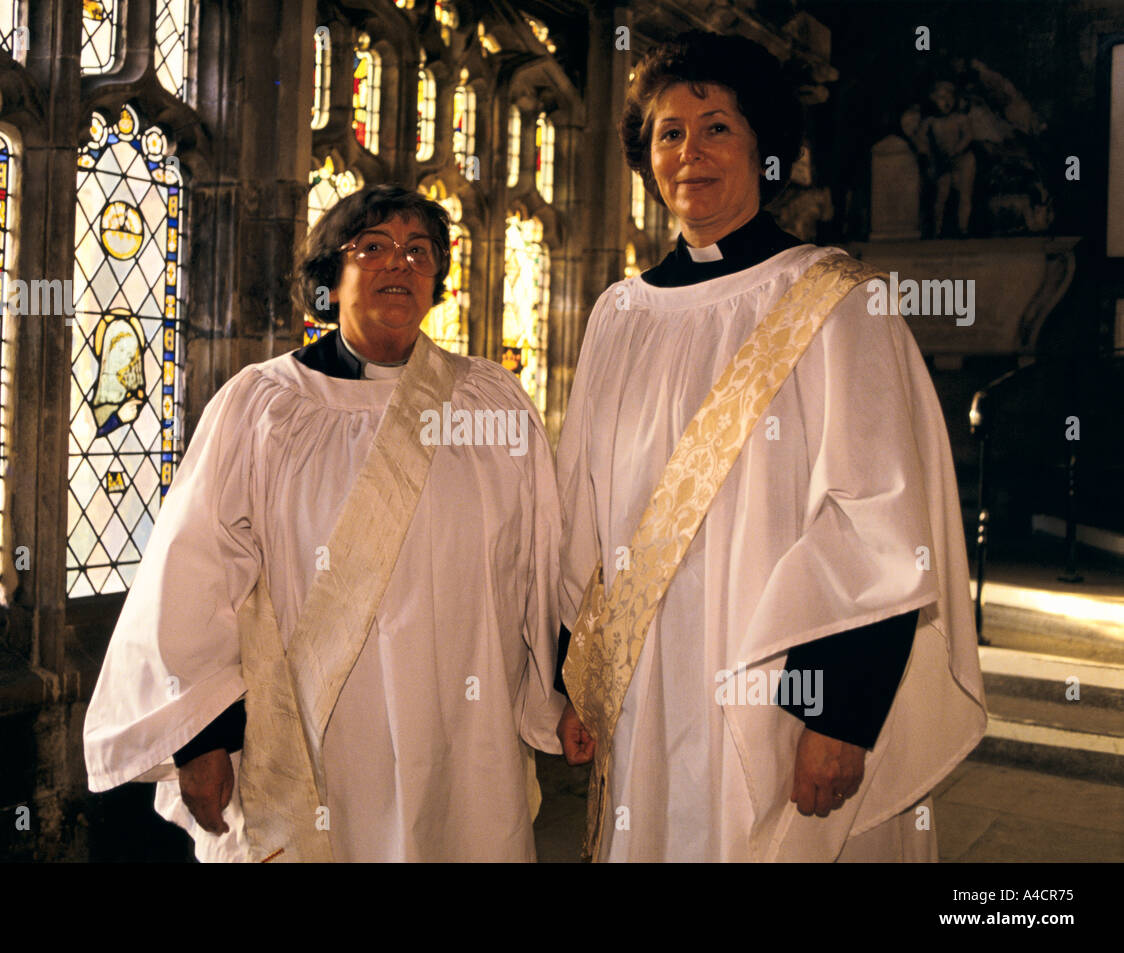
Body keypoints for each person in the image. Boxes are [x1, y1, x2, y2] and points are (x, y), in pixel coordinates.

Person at [554, 31, 986, 862]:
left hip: (777, 693)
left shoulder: (832, 300)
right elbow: (586, 513)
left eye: (717, 126)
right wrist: (583, 675)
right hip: (647, 686)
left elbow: (879, 526)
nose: (690, 151)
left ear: (766, 150)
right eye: (668, 132)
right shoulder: (620, 315)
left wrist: (838, 716)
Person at [84, 185, 565, 861]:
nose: (399, 263)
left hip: (464, 729)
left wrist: (564, 689)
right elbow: (193, 573)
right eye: (373, 247)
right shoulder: (264, 407)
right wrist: (201, 737)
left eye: (419, 251)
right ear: (330, 280)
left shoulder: (493, 404)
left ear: (437, 283)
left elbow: (546, 562)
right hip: (314, 736)